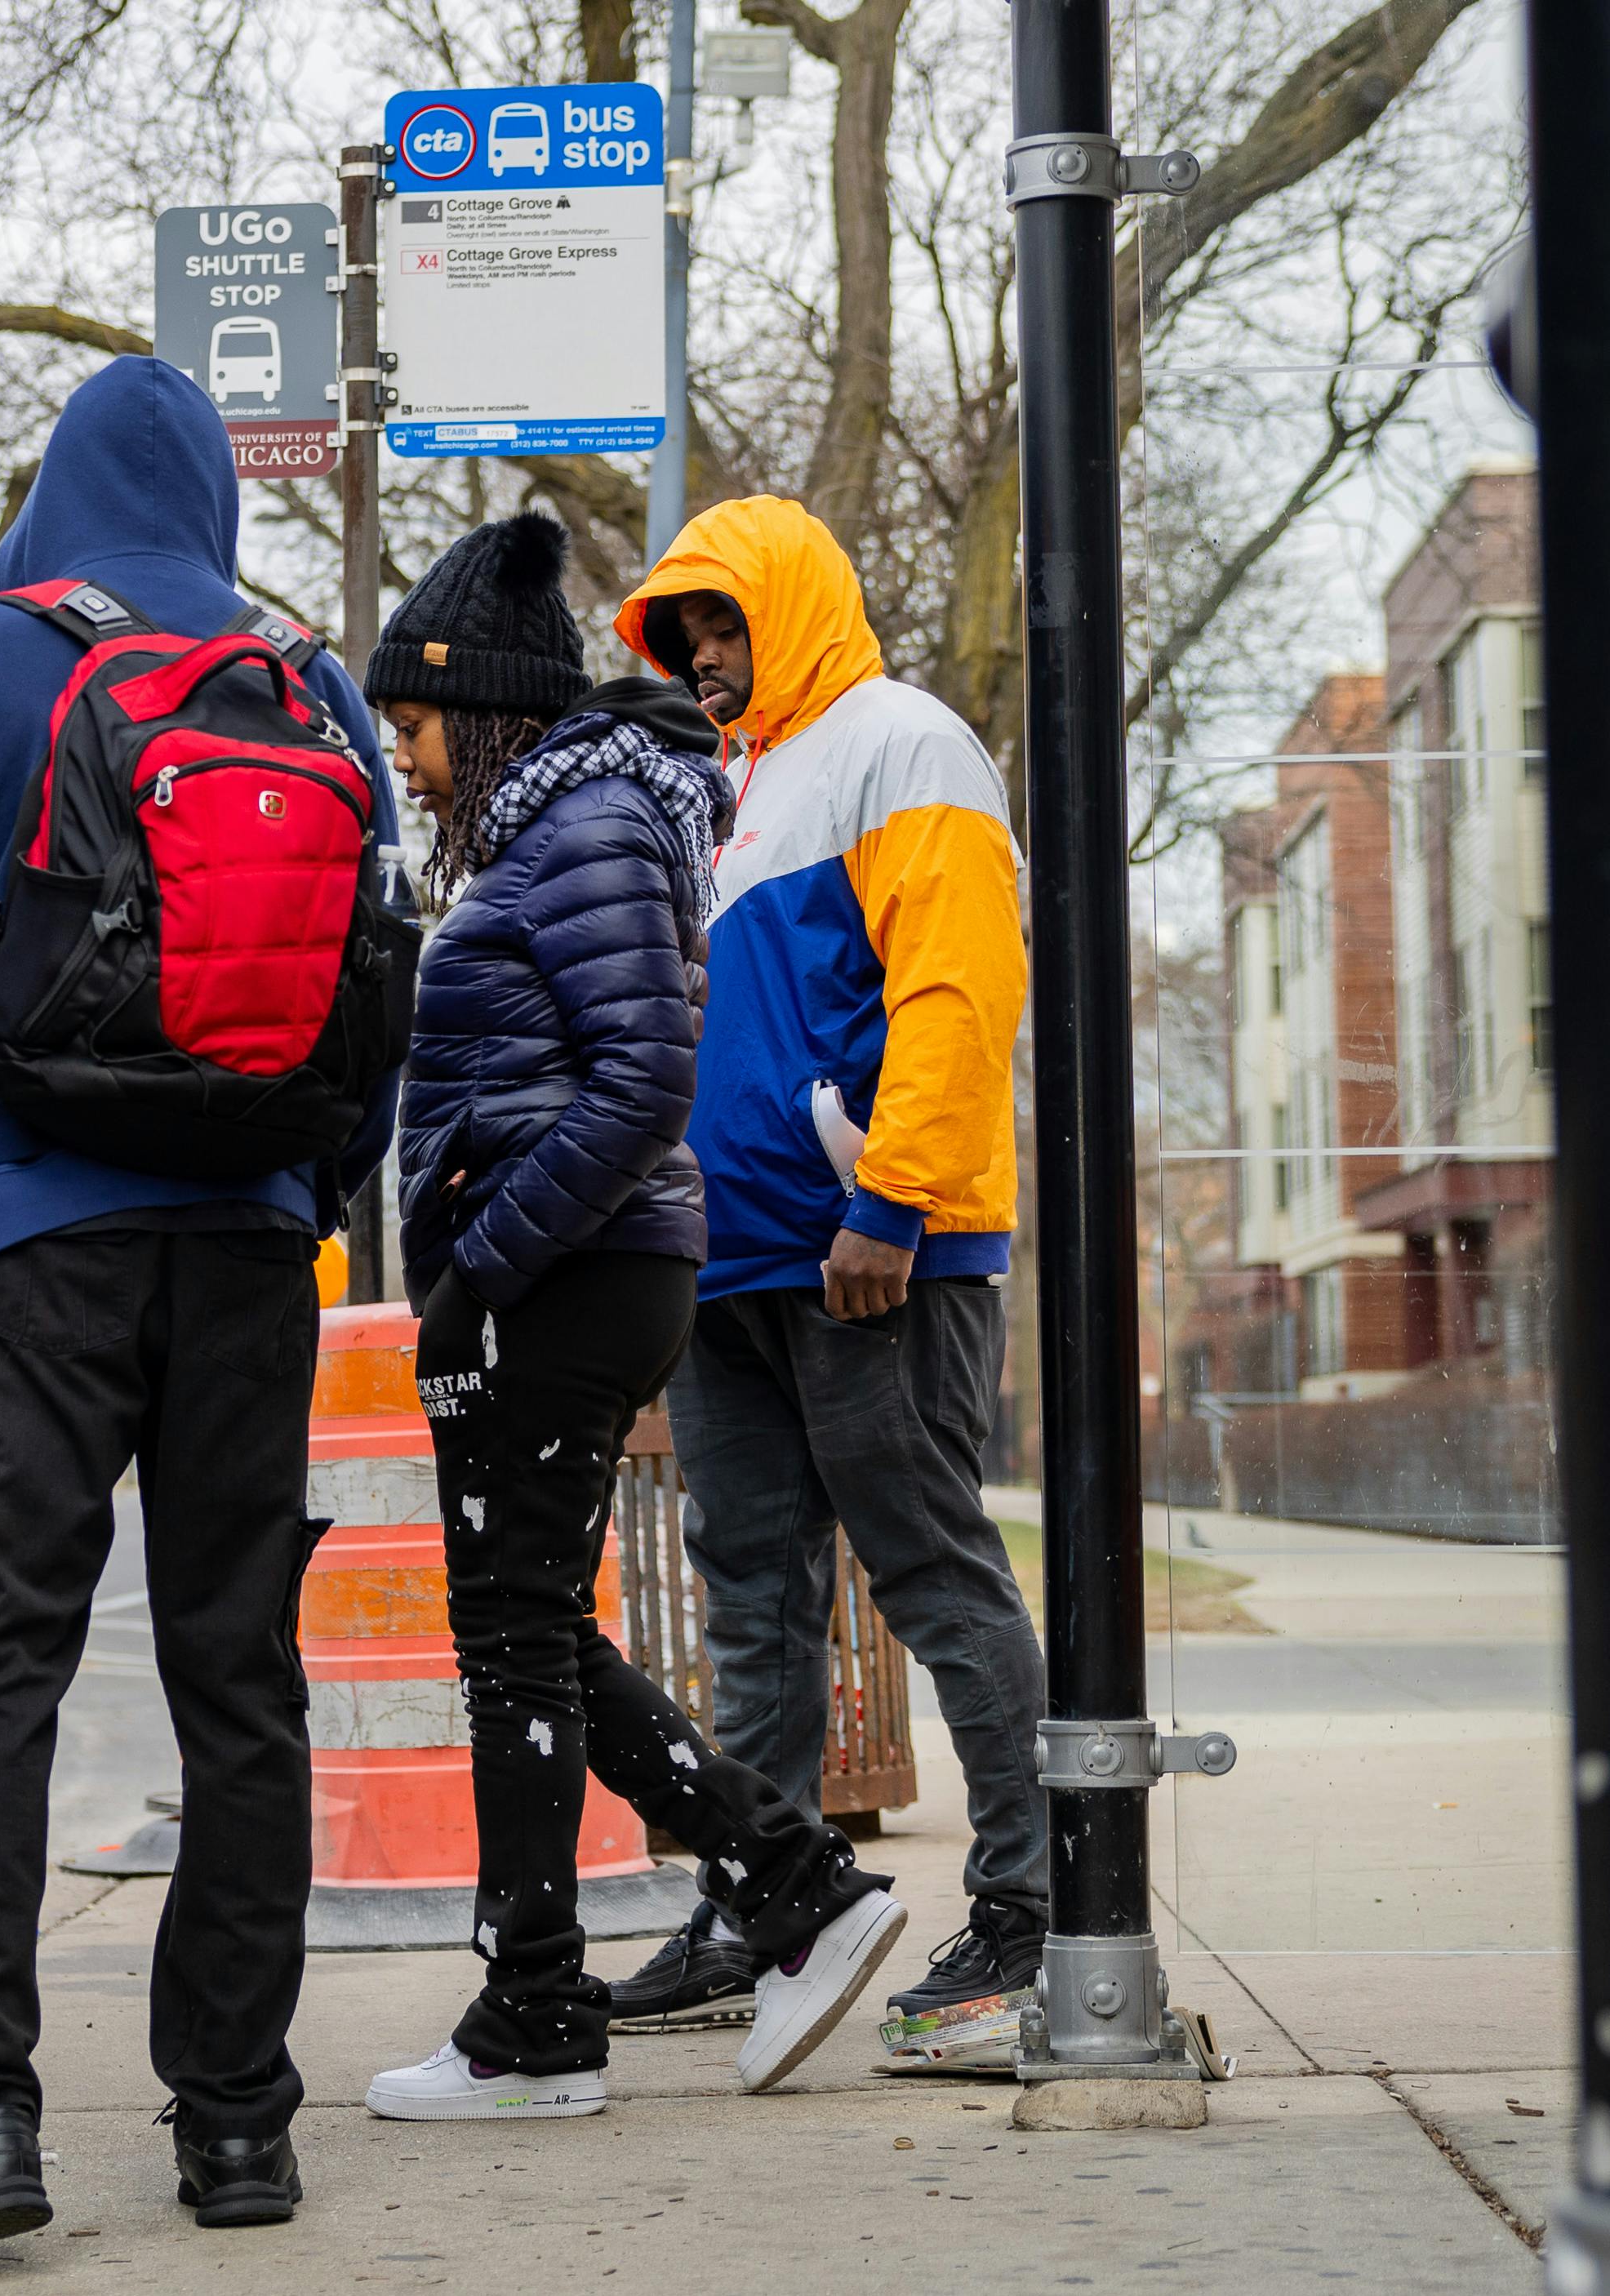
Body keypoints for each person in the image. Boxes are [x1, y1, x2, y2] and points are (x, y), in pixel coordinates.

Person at [0, 357, 399, 2263]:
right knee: (241, 1675)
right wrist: (306, 1186)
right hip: (249, 1249)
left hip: (36, 1245)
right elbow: (377, 983)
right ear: (217, 494)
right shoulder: (312, 685)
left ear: (53, 488)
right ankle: (237, 2123)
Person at [356, 514, 909, 2122]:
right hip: (581, 1270)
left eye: (418, 723)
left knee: (514, 1638)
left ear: (490, 712)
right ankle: (776, 1889)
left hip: (568, 1276)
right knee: (526, 1629)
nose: (406, 758)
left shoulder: (585, 826)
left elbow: (642, 1077)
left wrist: (481, 1267)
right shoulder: (569, 827)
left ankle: (545, 2011)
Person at [598, 497, 1052, 2062]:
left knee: (930, 1570)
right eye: (683, 634)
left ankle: (1035, 1911)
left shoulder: (901, 744)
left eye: (722, 622)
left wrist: (895, 1199)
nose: (704, 655)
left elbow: (960, 988)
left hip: (874, 1248)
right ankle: (763, 1906)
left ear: (788, 607)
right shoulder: (732, 792)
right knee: (751, 1593)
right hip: (732, 1259)